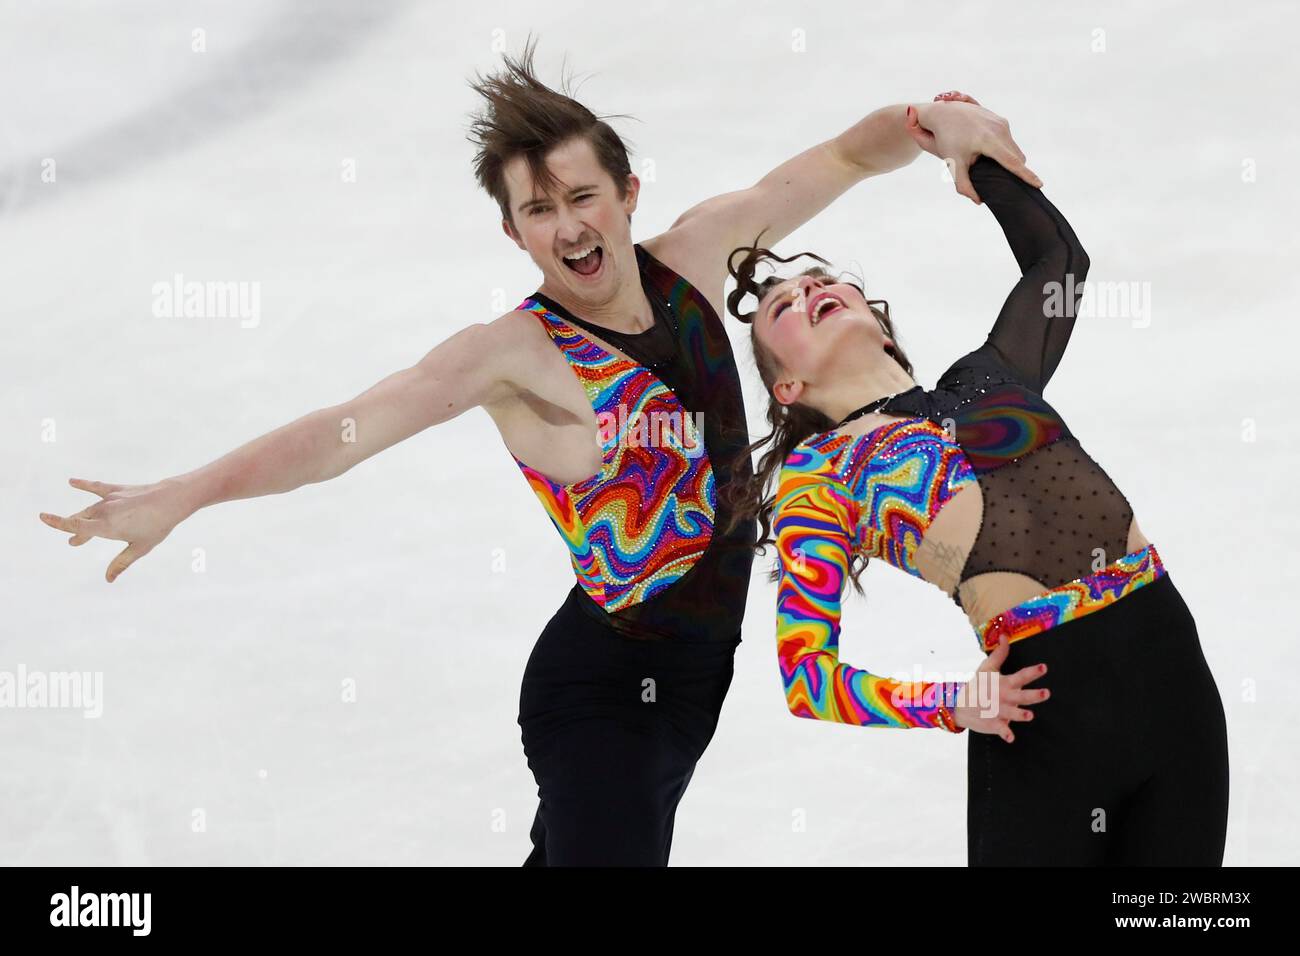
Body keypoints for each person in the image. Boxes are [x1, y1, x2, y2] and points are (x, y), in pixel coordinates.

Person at [37, 42, 1036, 864]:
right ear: (512, 232)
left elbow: (837, 161)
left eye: (581, 196)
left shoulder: (697, 252)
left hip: (692, 680)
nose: (567, 227)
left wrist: (930, 123)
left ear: (628, 192)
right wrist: (187, 492)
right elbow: (343, 433)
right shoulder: (513, 356)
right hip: (601, 688)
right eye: (538, 209)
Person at [723, 96, 1230, 865]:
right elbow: (807, 676)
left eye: (821, 282)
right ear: (785, 386)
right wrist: (951, 703)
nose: (806, 292)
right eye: (781, 311)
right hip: (1044, 722)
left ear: (878, 318)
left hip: (1174, 682)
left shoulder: (991, 375)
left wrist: (973, 157)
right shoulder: (818, 478)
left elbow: (1060, 264)